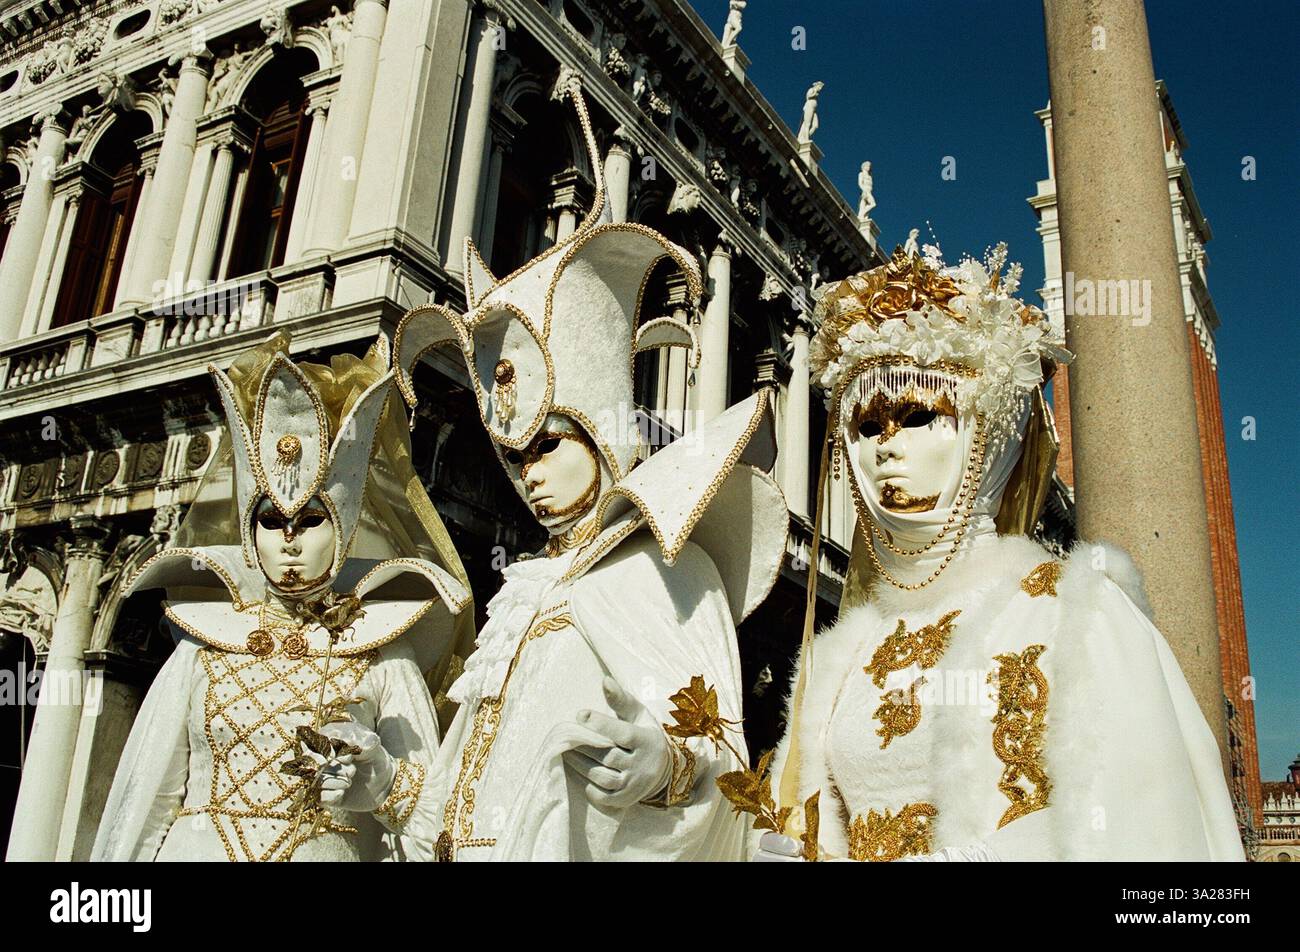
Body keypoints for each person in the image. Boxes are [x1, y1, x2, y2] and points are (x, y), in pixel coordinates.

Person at [394, 83, 788, 861]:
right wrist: (389, 785)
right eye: (514, 459)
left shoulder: (664, 572)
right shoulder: (526, 593)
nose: (528, 478)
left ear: (604, 440)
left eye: (549, 447)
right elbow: (463, 778)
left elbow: (724, 764)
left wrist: (665, 767)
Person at [752, 244, 1244, 862]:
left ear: (995, 435)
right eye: (868, 427)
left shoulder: (1077, 615)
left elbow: (1141, 833)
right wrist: (673, 779)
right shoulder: (842, 656)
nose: (886, 448)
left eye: (917, 416)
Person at [91, 333, 472, 861]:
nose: (290, 541)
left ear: (341, 531)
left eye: (311, 521)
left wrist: (380, 780)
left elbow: (434, 820)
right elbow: (144, 799)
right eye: (273, 523)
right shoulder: (202, 650)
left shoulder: (383, 655)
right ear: (250, 536)